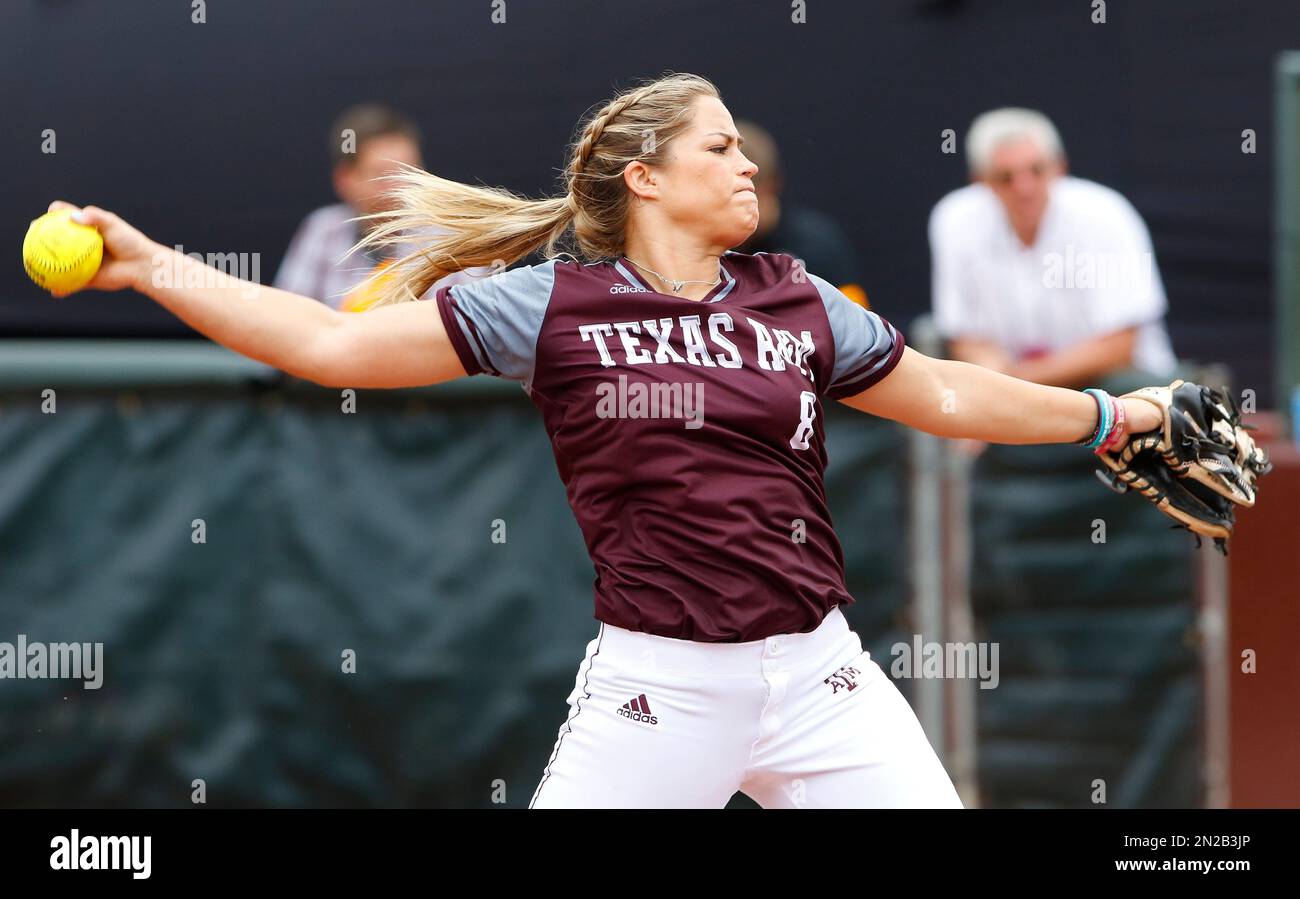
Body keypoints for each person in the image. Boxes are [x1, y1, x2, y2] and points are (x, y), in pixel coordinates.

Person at [44, 72, 1161, 809]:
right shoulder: (551, 305)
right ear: (644, 177)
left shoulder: (797, 296)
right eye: (718, 147)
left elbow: (953, 397)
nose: (745, 167)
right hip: (657, 689)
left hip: (823, 675)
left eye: (743, 150)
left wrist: (1118, 415)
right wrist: (150, 265)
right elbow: (328, 347)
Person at [929, 107, 1178, 390]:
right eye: (1005, 177)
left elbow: (1121, 347)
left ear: (1059, 167)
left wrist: (1014, 382)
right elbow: (964, 336)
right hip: (1019, 398)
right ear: (980, 181)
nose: (1024, 188)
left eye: (1036, 170)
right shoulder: (954, 219)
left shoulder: (1106, 214)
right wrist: (995, 376)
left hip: (1123, 392)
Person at [273, 103, 489, 312]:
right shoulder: (323, 229)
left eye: (410, 171)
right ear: (345, 179)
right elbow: (288, 317)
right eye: (384, 175)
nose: (401, 187)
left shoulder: (456, 238)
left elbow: (473, 329)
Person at [731, 118, 869, 307]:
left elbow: (856, 322)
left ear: (772, 185)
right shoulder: (707, 246)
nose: (741, 207)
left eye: (750, 191)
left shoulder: (817, 246)